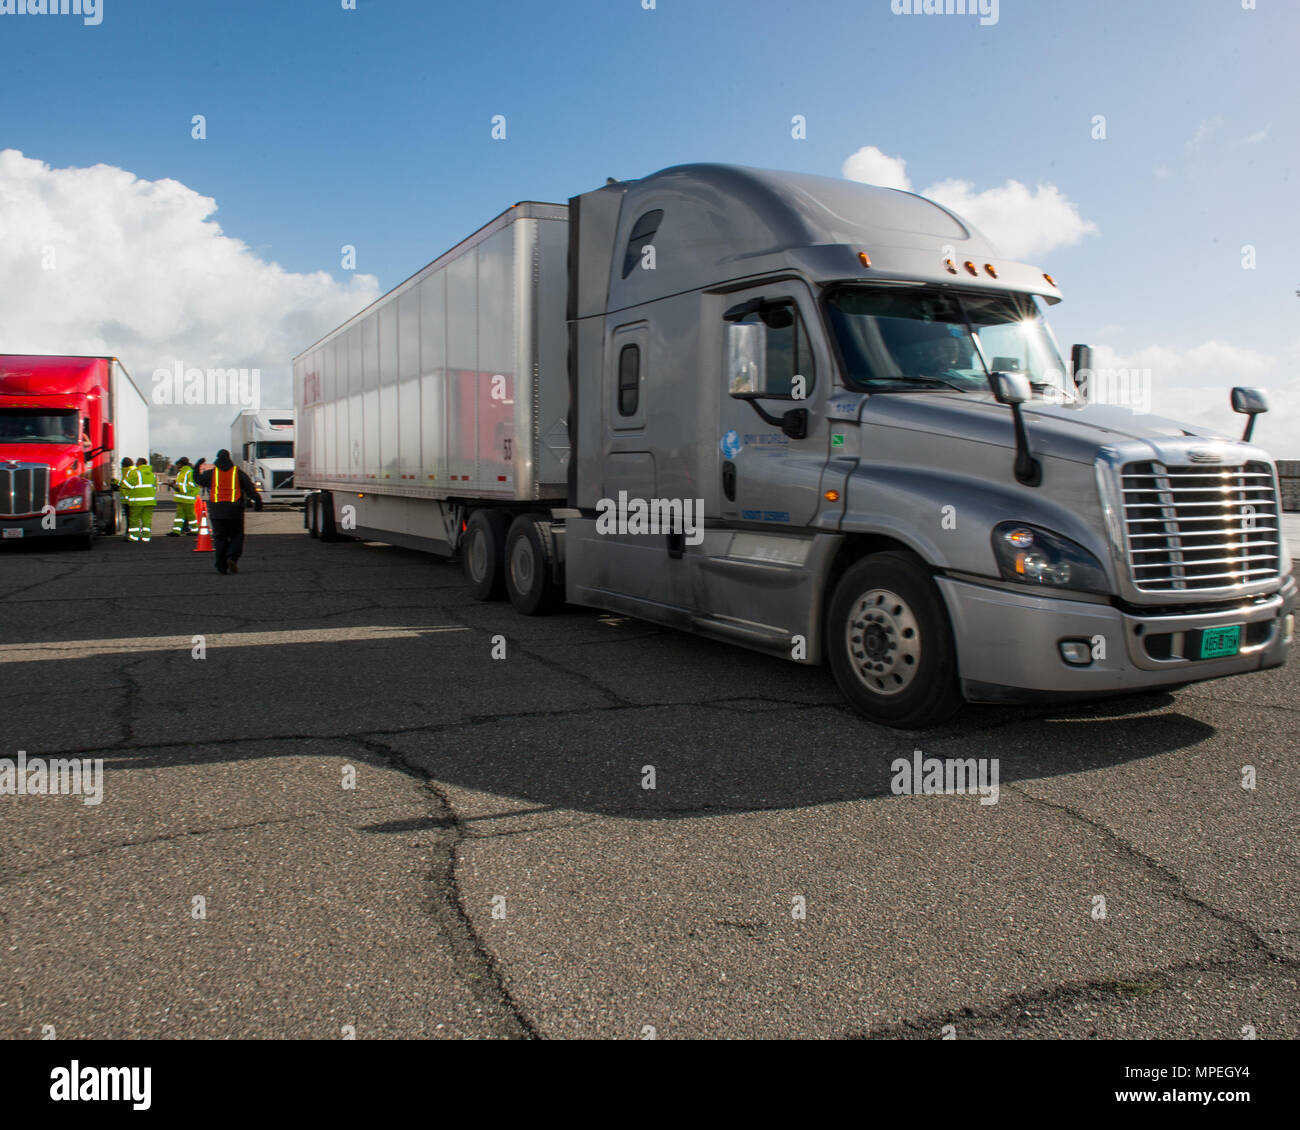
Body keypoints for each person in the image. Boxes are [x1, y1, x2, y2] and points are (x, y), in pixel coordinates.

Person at [194, 449, 262, 574]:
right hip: (235, 511)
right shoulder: (238, 473)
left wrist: (198, 465)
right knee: (237, 536)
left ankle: (221, 566)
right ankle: (232, 557)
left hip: (217, 512)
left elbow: (198, 479)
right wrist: (258, 503)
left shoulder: (211, 473)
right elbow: (251, 490)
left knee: (220, 539)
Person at [121, 457, 157, 543]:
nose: (135, 464)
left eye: (137, 462)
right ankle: (146, 537)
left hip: (137, 501)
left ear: (140, 463)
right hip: (150, 501)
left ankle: (134, 537)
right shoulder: (152, 474)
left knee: (134, 519)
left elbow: (126, 485)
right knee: (147, 519)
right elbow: (154, 487)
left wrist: (117, 483)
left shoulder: (136, 473)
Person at [169, 457, 198, 536]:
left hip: (187, 498)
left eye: (178, 464)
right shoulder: (181, 473)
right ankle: (176, 531)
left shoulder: (189, 472)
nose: (177, 466)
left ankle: (195, 530)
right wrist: (174, 486)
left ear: (181, 464)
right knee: (179, 515)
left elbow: (192, 485)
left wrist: (178, 487)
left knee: (190, 515)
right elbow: (181, 485)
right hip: (181, 498)